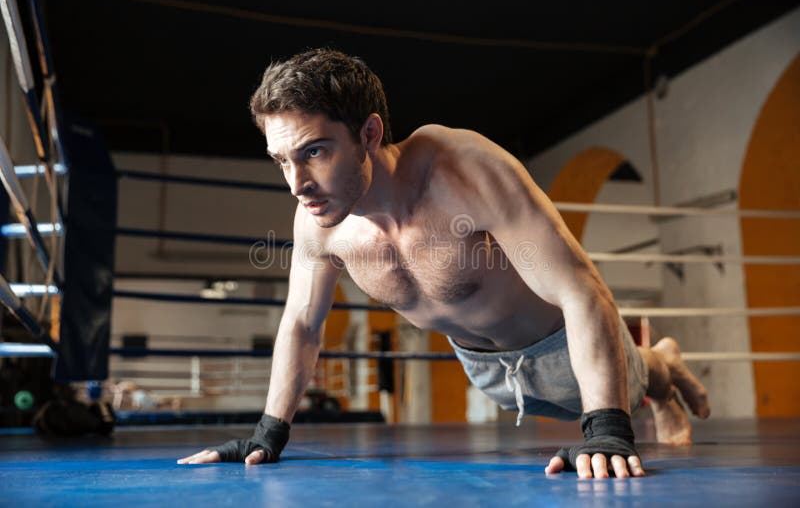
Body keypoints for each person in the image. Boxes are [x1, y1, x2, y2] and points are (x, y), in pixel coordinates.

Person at [178, 49, 710, 479]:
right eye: (282, 161)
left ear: (369, 133)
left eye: (314, 152)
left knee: (639, 379)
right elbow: (301, 322)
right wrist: (268, 434)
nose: (297, 184)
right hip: (485, 371)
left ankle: (662, 369)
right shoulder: (317, 221)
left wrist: (607, 429)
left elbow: (580, 291)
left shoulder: (463, 171)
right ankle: (655, 364)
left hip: (564, 346)